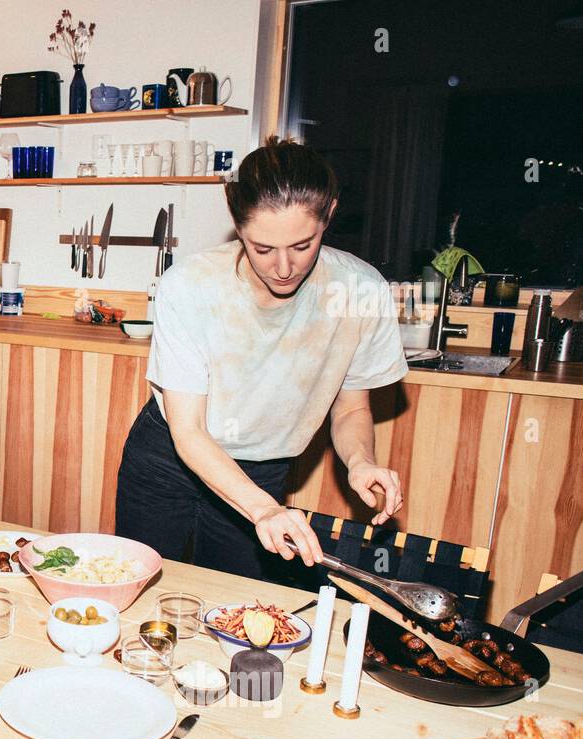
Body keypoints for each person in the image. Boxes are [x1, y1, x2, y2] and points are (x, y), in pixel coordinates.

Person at [116, 136, 408, 580]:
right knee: (139, 590)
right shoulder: (190, 286)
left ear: (329, 214)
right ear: (237, 224)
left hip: (264, 469)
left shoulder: (360, 291)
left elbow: (352, 408)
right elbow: (189, 431)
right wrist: (263, 511)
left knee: (237, 610)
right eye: (263, 249)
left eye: (302, 245)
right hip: (168, 461)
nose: (284, 268)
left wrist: (361, 462)